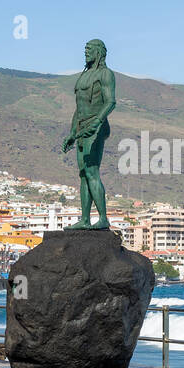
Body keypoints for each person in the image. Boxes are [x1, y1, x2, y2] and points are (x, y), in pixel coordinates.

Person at [62, 38, 116, 229]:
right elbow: (79, 108)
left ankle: (103, 219)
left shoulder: (106, 74)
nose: (86, 52)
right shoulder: (83, 76)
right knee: (83, 173)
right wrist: (71, 133)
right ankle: (85, 219)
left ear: (99, 52)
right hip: (81, 128)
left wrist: (97, 122)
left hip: (96, 127)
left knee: (92, 171)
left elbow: (110, 102)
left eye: (90, 49)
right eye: (85, 49)